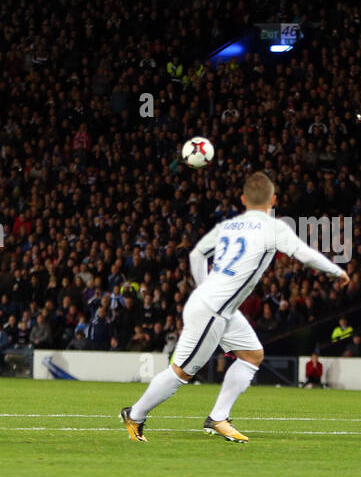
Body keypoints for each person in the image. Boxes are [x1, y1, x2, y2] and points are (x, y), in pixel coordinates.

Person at [121, 173, 348, 443]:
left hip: (218, 306)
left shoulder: (229, 226)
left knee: (252, 355)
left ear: (242, 199)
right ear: (274, 199)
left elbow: (196, 254)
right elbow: (304, 253)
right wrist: (336, 271)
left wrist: (206, 287)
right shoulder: (273, 227)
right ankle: (135, 415)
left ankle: (218, 417)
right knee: (182, 372)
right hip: (213, 309)